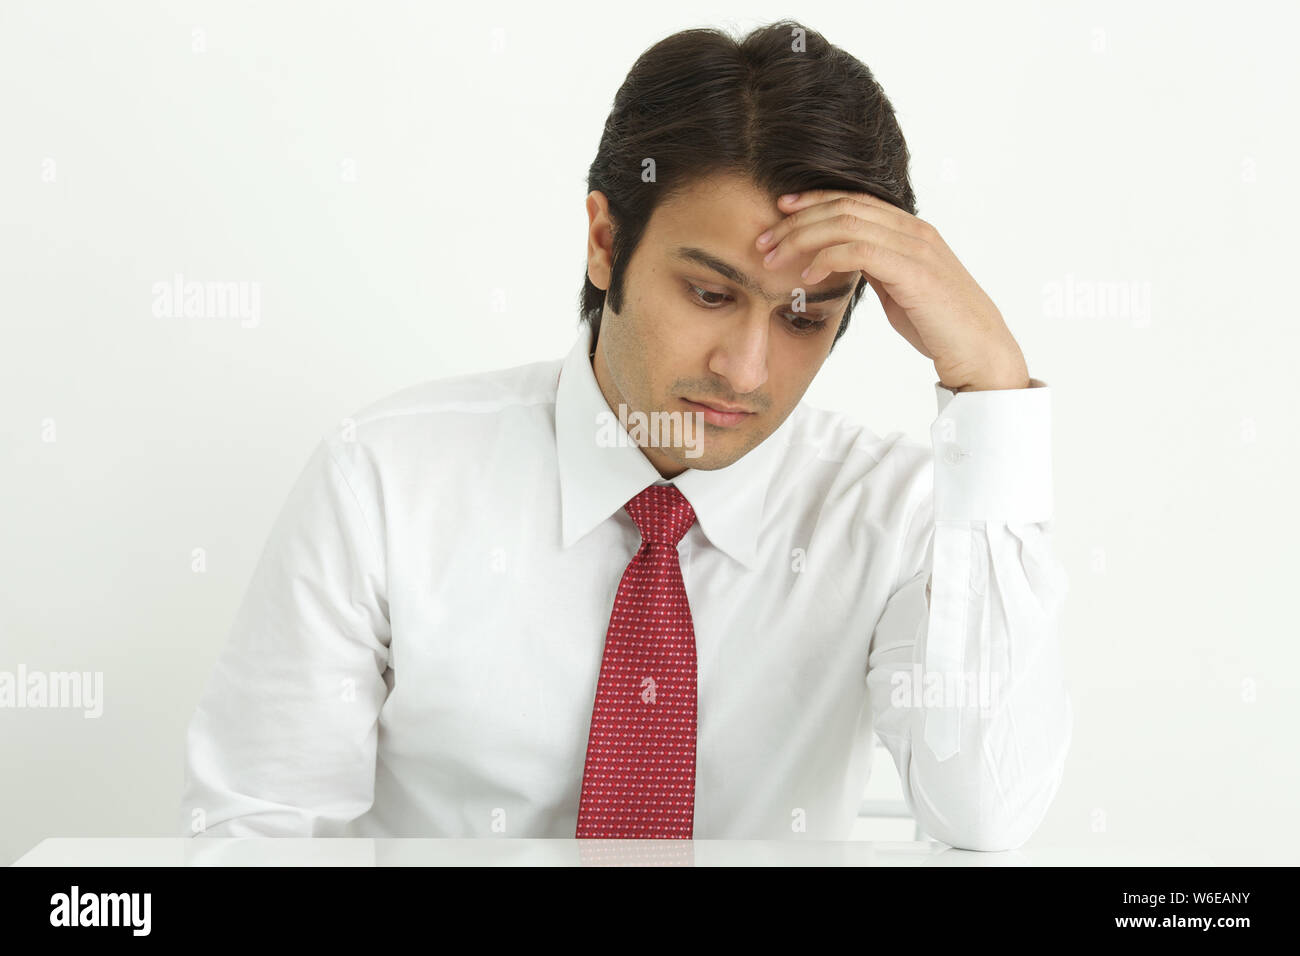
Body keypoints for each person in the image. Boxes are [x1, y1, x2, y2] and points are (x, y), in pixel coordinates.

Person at [181, 19, 1071, 850]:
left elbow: (987, 816)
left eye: (804, 319)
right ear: (606, 242)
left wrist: (991, 386)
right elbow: (259, 833)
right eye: (711, 294)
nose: (745, 372)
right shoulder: (383, 481)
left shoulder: (901, 515)